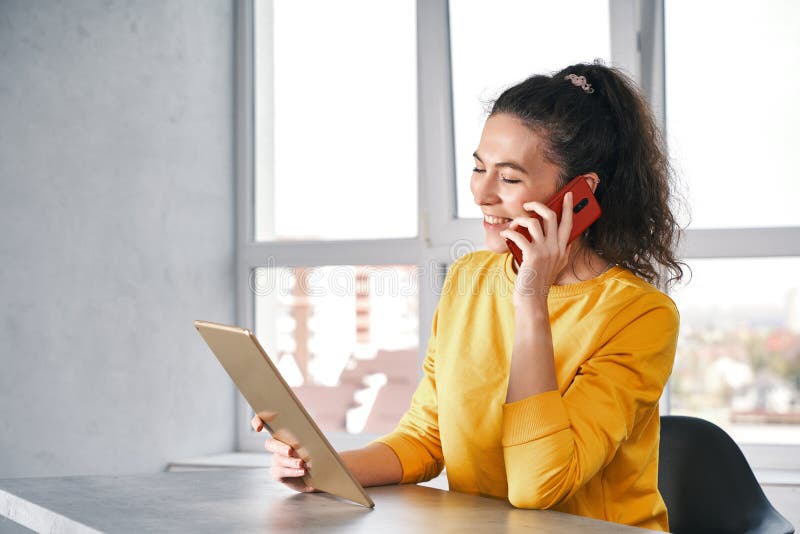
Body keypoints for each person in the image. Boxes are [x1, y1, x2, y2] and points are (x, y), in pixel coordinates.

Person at [252, 62, 685, 531]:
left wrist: (531, 298)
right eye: (478, 168)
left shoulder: (640, 315)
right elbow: (424, 439)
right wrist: (325, 467)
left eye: (510, 178)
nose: (481, 193)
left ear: (579, 195)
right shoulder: (469, 279)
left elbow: (538, 486)